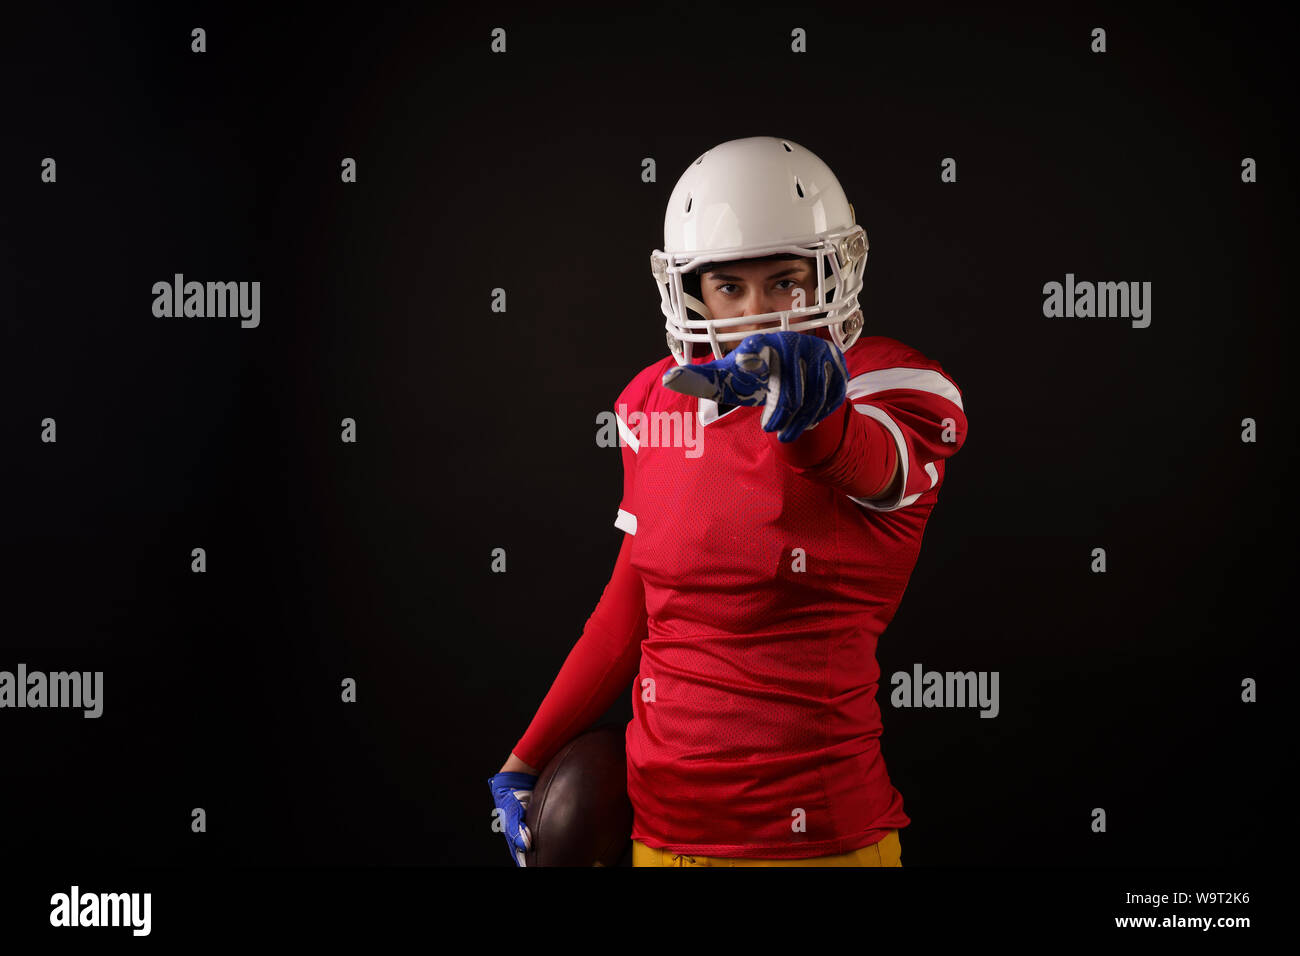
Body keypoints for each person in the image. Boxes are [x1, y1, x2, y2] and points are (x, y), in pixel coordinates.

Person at [488, 136, 968, 866]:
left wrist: (816, 409)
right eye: (730, 287)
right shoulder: (657, 400)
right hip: (661, 834)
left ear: (832, 272)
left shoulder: (888, 386)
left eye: (785, 282)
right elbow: (631, 607)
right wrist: (527, 757)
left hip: (821, 842)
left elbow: (864, 464)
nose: (759, 312)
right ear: (692, 291)